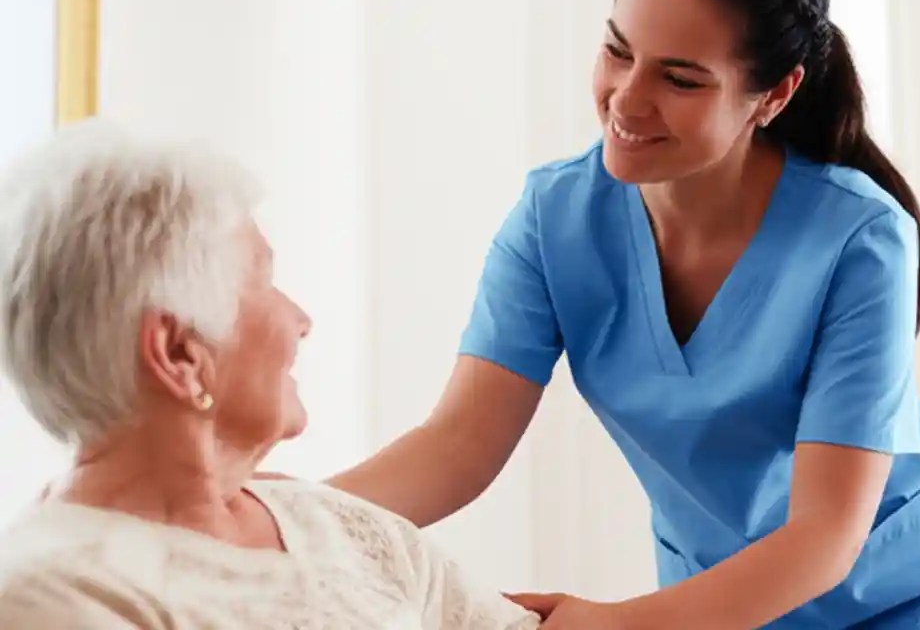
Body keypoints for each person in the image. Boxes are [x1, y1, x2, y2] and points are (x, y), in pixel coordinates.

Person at [331, 0, 920, 627]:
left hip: (906, 595)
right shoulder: (554, 217)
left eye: (681, 79)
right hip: (716, 602)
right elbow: (458, 444)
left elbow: (826, 534)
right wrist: (272, 516)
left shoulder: (861, 240)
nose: (626, 100)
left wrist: (614, 623)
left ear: (774, 94)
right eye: (617, 51)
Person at [0, 121, 540, 630]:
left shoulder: (344, 527)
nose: (300, 320)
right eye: (265, 280)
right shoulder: (53, 593)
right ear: (179, 352)